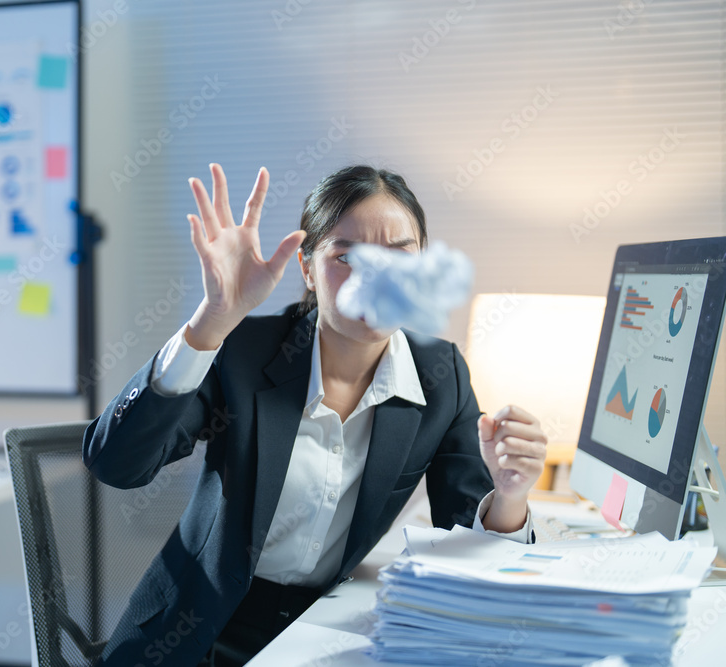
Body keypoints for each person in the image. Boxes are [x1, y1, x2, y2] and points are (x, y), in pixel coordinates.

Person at [83, 163, 548, 666]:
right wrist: (209, 325)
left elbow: (463, 533)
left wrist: (509, 496)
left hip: (327, 627)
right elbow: (118, 465)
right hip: (196, 628)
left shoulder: (441, 374)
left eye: (399, 255)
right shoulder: (243, 350)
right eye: (347, 256)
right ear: (307, 268)